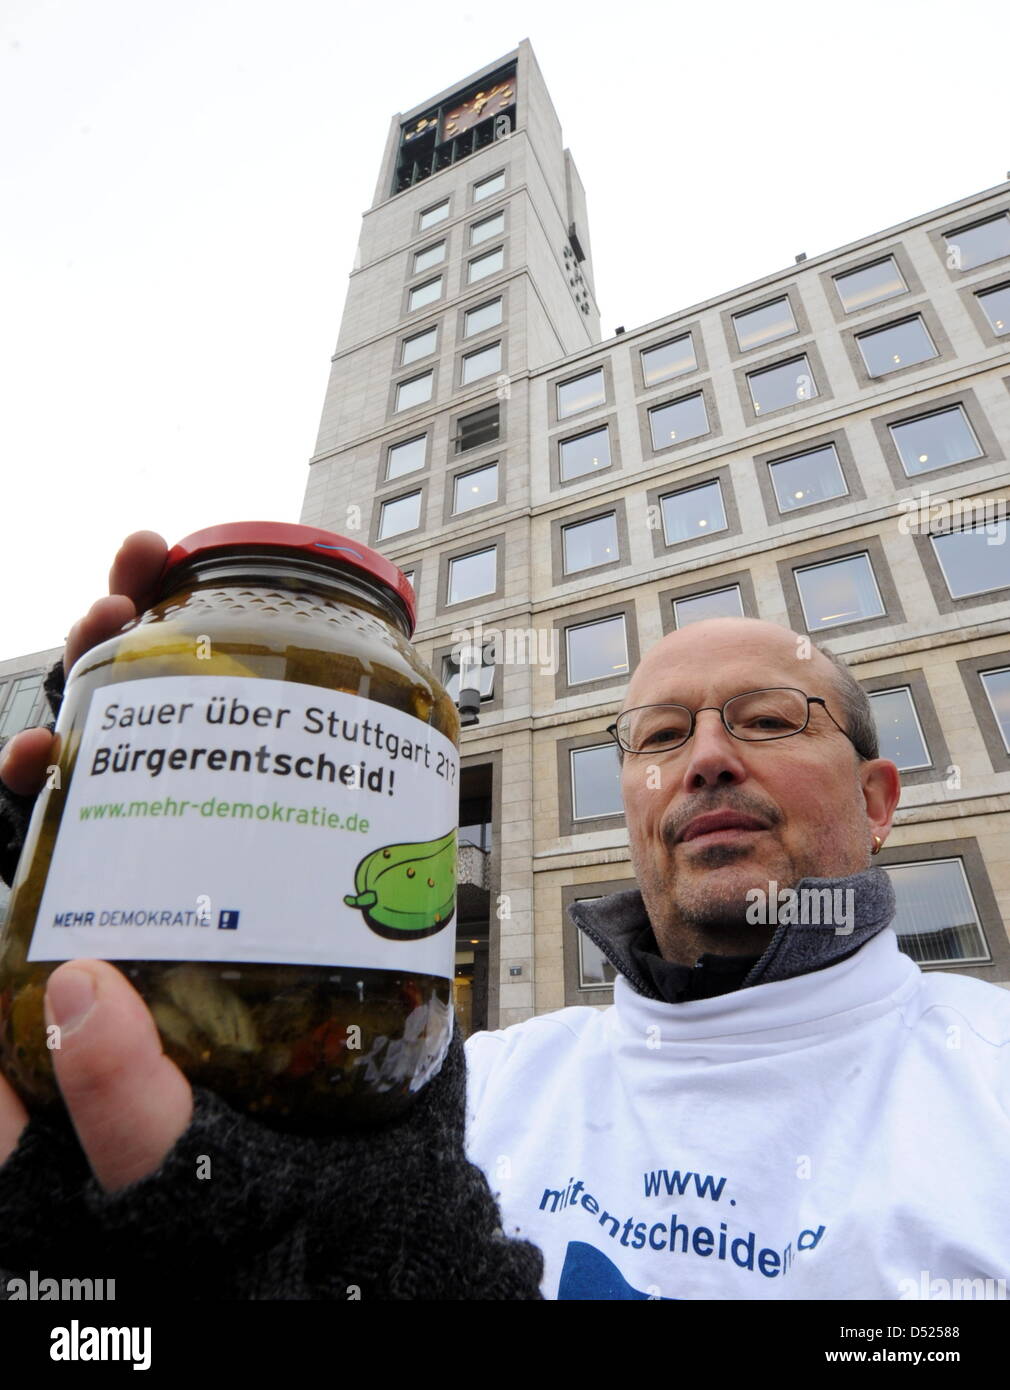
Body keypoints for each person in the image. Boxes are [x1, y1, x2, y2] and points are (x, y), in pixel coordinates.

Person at [1, 532, 1009, 1301]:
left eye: (766, 719)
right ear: (632, 804)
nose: (704, 756)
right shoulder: (471, 1081)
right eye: (660, 733)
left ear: (877, 800)